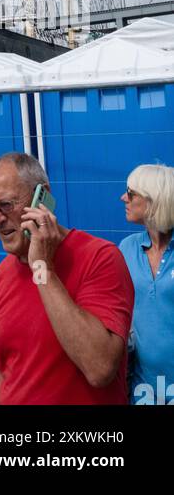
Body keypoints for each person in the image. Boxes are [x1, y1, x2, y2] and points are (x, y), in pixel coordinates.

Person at [0, 152, 134, 405]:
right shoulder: (3, 273)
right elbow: (1, 373)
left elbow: (100, 369)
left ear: (42, 196)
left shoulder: (100, 258)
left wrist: (43, 269)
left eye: (6, 205)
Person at [118, 163, 174, 404]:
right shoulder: (127, 247)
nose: (123, 198)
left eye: (131, 193)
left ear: (154, 199)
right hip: (144, 386)